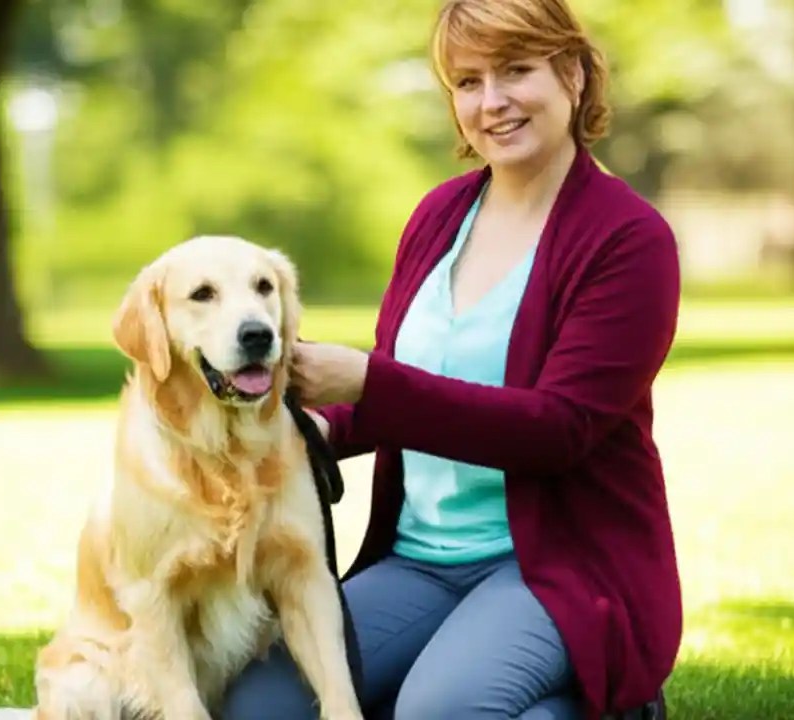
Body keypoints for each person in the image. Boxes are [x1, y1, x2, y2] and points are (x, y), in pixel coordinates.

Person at [222, 0, 681, 718]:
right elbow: (405, 390)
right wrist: (316, 425)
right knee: (261, 705)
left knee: (439, 711)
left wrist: (371, 384)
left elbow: (558, 429)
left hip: (558, 564)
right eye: (467, 82)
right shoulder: (440, 216)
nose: (492, 101)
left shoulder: (628, 239)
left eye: (515, 71)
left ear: (573, 73)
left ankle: (610, 695)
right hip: (418, 559)